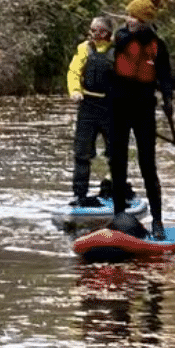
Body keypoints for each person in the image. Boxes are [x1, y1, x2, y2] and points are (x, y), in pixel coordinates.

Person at [106, 0, 175, 239]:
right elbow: (122, 40)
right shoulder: (121, 37)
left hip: (144, 107)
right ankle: (118, 216)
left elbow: (165, 76)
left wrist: (168, 101)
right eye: (129, 16)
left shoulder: (158, 44)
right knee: (117, 163)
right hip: (118, 107)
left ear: (145, 20)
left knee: (147, 164)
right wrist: (138, 32)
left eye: (135, 17)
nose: (129, 20)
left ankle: (157, 221)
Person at [65, 15, 116, 206]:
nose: (92, 33)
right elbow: (74, 72)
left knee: (116, 153)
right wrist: (75, 91)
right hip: (87, 107)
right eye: (91, 29)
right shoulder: (84, 49)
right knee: (82, 152)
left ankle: (111, 188)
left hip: (111, 109)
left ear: (105, 32)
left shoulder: (118, 52)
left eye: (95, 30)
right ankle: (80, 194)